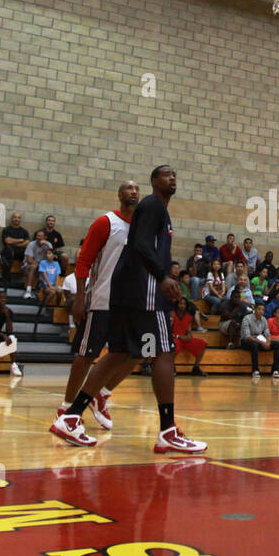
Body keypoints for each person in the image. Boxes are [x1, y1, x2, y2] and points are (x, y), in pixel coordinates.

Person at [52, 166, 206, 452]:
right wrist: (162, 276)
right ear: (154, 182)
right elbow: (140, 245)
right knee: (163, 351)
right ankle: (168, 431)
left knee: (122, 353)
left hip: (122, 293)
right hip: (141, 290)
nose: (173, 178)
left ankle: (71, 416)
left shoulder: (150, 209)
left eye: (175, 174)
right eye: (166, 174)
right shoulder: (153, 207)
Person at [60, 181, 140, 427]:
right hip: (102, 301)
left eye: (137, 189)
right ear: (119, 195)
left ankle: (101, 394)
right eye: (128, 188)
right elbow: (84, 260)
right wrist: (81, 297)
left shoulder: (141, 228)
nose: (134, 192)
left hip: (129, 305)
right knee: (86, 356)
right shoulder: (105, 222)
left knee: (138, 352)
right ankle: (66, 409)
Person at [240, 303, 279, 378]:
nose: (261, 311)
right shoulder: (247, 318)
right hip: (247, 341)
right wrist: (262, 343)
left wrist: (268, 342)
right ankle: (255, 370)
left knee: (278, 344)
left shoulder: (263, 319)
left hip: (260, 340)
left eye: (263, 310)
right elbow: (247, 336)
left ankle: (275, 370)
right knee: (254, 344)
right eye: (259, 309)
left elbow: (267, 333)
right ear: (255, 309)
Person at [171, 297, 207, 376]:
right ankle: (171, 367)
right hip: (174, 338)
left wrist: (189, 336)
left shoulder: (189, 316)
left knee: (203, 343)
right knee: (172, 346)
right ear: (177, 304)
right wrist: (178, 336)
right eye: (180, 303)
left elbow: (189, 331)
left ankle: (196, 368)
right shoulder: (172, 314)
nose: (182, 306)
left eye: (184, 304)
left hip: (184, 339)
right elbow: (167, 331)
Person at [0, 211, 30, 284]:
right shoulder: (6, 230)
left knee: (29, 256)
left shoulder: (24, 231)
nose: (17, 219)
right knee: (8, 252)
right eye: (15, 217)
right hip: (9, 252)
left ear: (20, 220)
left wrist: (14, 243)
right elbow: (7, 241)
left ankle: (26, 282)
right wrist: (20, 240)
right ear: (12, 219)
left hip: (20, 253)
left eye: (18, 217)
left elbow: (27, 243)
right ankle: (6, 278)